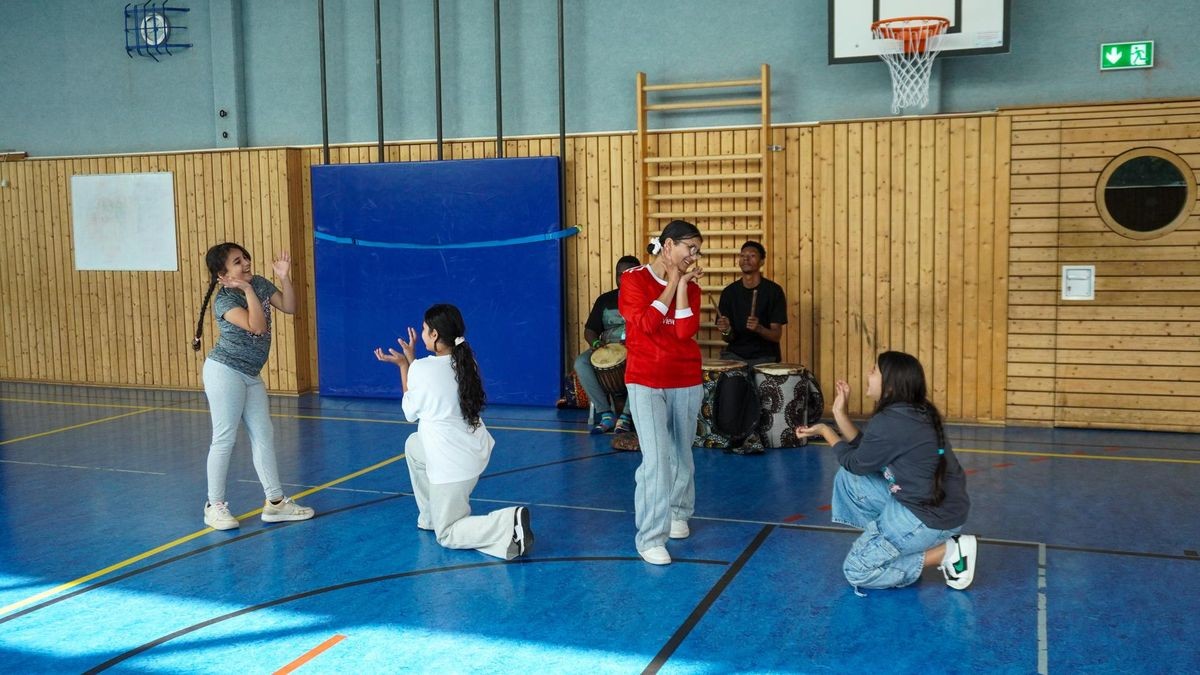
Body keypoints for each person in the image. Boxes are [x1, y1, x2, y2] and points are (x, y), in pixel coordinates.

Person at [796, 351, 976, 592]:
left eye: (874, 371)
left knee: (857, 571)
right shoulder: (913, 411)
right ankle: (897, 543)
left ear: (890, 385)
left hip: (929, 517)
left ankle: (948, 553)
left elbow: (854, 462)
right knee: (851, 480)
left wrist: (825, 432)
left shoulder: (892, 420)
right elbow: (867, 453)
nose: (868, 375)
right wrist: (839, 414)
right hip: (937, 506)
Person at [374, 304, 534, 560]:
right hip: (473, 454)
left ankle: (507, 522)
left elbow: (409, 412)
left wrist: (404, 365)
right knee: (414, 445)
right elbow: (433, 383)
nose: (422, 334)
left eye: (424, 329)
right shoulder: (466, 361)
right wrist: (412, 363)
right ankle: (430, 516)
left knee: (447, 534)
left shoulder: (421, 369)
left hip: (451, 467)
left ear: (435, 334)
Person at [191, 242, 315, 531]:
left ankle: (276, 503)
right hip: (225, 372)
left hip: (250, 373)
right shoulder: (224, 301)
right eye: (237, 261)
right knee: (224, 438)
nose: (246, 263)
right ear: (223, 275)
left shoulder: (258, 283)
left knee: (263, 435)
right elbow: (257, 326)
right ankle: (214, 505)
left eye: (245, 257)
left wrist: (284, 277)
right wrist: (247, 290)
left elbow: (290, 306)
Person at [618, 220, 705, 565]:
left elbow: (684, 332)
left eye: (698, 250)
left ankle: (678, 512)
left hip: (686, 378)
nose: (694, 256)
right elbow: (646, 323)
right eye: (690, 248)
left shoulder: (691, 287)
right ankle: (651, 537)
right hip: (645, 380)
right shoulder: (633, 279)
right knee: (656, 461)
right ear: (668, 246)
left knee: (681, 453)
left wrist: (681, 285)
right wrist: (671, 283)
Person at [576, 254, 641, 434]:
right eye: (620, 275)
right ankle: (605, 413)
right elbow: (589, 330)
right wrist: (596, 343)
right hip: (607, 348)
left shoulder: (648, 298)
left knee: (642, 362)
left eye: (629, 275)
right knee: (581, 363)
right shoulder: (605, 300)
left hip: (637, 349)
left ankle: (626, 416)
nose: (623, 279)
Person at [715, 240, 787, 366]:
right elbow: (727, 338)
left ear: (762, 261)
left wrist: (759, 328)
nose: (746, 259)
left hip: (765, 357)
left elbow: (776, 335)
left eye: (752, 255)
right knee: (725, 378)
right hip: (734, 356)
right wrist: (726, 330)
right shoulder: (729, 292)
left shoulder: (774, 291)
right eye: (742, 255)